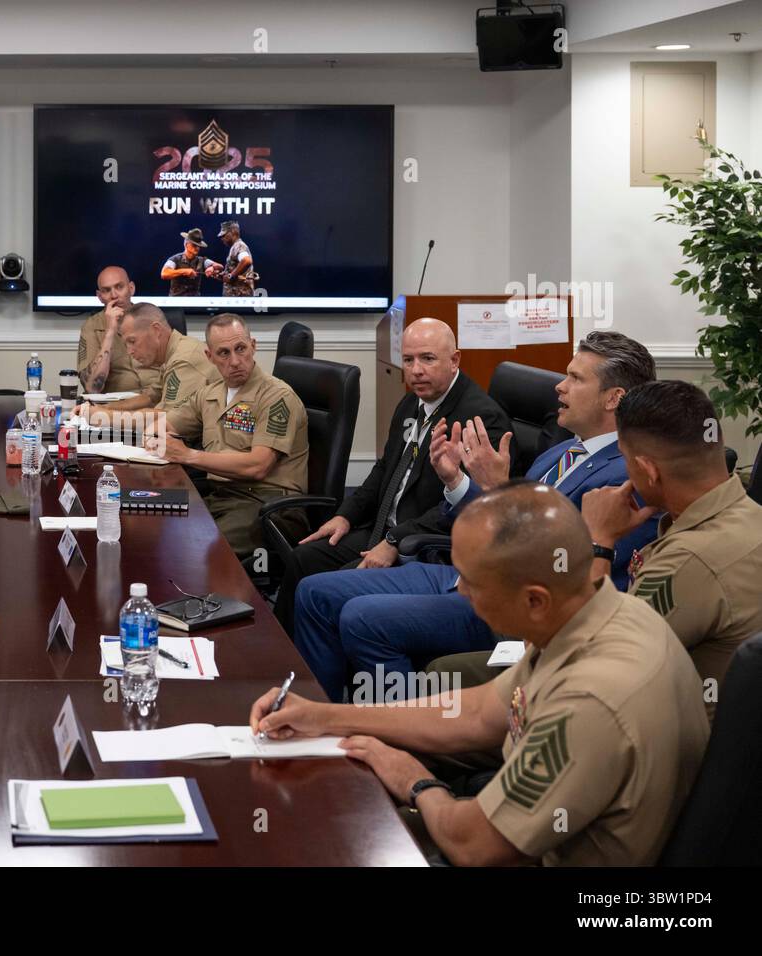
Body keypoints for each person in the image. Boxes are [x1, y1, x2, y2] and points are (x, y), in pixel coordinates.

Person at [251, 482, 709, 866]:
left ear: (533, 599)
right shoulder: (596, 612)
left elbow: (472, 845)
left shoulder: (591, 701)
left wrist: (414, 780)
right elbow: (479, 712)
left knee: (337, 841)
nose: (460, 590)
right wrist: (327, 716)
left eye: (471, 581)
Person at [294, 330, 659, 701]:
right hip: (464, 573)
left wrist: (497, 488)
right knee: (314, 592)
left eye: (576, 379)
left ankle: (406, 739)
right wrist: (457, 482)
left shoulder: (627, 477)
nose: (560, 388)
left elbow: (560, 567)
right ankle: (320, 720)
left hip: (515, 602)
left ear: (614, 398)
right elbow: (501, 522)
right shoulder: (563, 451)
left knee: (362, 619)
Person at [273, 318, 511, 630]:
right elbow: (384, 470)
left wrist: (394, 541)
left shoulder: (480, 419)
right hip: (382, 526)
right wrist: (345, 515)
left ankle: (317, 670)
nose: (416, 371)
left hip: (421, 545)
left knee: (327, 587)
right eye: (409, 360)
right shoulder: (413, 400)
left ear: (455, 361)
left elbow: (459, 506)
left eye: (427, 359)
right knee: (303, 557)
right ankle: (282, 653)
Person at [579, 380, 762, 721]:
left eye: (625, 459)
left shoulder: (690, 561)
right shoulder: (750, 516)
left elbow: (594, 662)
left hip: (668, 747)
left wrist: (598, 540)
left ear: (648, 470)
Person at [146, 313, 308, 559]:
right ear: (209, 357)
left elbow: (258, 466)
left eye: (240, 348)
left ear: (253, 347)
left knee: (195, 553)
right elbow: (162, 424)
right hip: (222, 496)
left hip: (268, 505)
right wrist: (154, 434)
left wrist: (188, 455)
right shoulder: (211, 394)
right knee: (153, 526)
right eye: (223, 353)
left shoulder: (276, 397)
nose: (234, 361)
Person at [74, 303, 215, 417]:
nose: (129, 352)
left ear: (156, 330)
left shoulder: (184, 360)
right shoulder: (172, 354)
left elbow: (167, 420)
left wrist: (104, 416)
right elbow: (150, 397)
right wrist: (101, 408)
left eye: (132, 341)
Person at [77, 266, 149, 395]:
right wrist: (110, 331)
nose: (114, 295)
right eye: (106, 290)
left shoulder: (152, 319)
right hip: (116, 407)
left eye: (119, 287)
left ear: (131, 288)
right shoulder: (91, 326)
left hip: (157, 403)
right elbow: (92, 388)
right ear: (99, 297)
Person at [161, 228, 222, 297]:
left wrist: (212, 267)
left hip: (194, 301)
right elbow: (164, 273)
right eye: (194, 245)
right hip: (176, 300)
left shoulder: (202, 260)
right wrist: (183, 271)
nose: (197, 248)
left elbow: (220, 266)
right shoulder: (175, 259)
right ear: (186, 245)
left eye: (198, 246)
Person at [217, 221, 257, 296]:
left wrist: (231, 276)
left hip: (239, 298)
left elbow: (246, 260)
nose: (221, 238)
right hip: (237, 297)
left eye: (224, 235)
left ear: (233, 232)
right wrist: (225, 274)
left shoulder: (239, 246)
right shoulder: (235, 246)